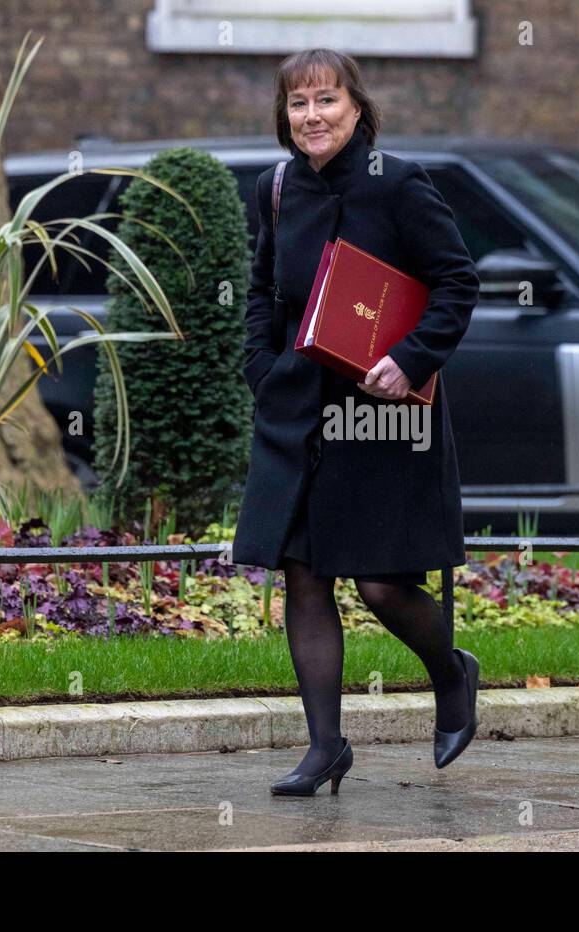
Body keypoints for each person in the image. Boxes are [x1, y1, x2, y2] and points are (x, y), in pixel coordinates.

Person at [230, 48, 481, 796]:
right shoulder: (274, 189)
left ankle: (451, 672)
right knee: (304, 575)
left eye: (326, 101)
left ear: (357, 108)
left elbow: (457, 282)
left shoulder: (400, 184)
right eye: (298, 104)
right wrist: (262, 372)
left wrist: (411, 358)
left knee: (378, 582)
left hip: (383, 412)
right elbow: (262, 295)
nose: (312, 116)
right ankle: (325, 747)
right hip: (298, 409)